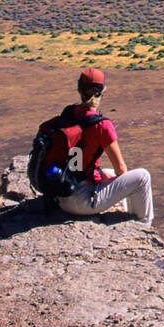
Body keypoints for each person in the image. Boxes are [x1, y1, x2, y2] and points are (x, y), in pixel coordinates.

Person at [56, 67, 153, 226]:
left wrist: (99, 174)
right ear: (102, 92)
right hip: (82, 202)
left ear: (79, 89)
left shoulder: (68, 113)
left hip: (61, 192)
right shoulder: (101, 125)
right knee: (142, 177)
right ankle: (142, 226)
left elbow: (76, 158)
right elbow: (121, 169)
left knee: (107, 172)